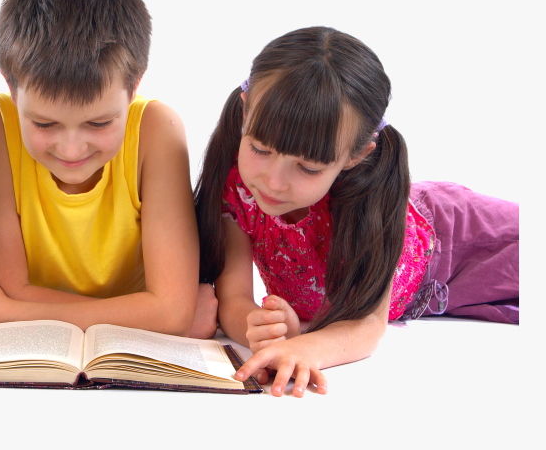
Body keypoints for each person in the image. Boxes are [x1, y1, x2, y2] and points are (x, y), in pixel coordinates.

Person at [194, 26, 519, 397]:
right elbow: (234, 299)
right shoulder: (237, 191)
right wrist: (258, 327)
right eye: (260, 149)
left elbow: (367, 325)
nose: (274, 181)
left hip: (461, 240)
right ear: (245, 111)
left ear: (356, 155)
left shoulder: (367, 200)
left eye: (308, 168)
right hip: (431, 299)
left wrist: (305, 348)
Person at [0, 0, 215, 337]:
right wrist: (156, 316)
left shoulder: (158, 130)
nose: (71, 150)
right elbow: (7, 288)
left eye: (99, 123)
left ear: (134, 85)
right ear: (11, 87)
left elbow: (170, 312)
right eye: (43, 123)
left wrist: (6, 313)